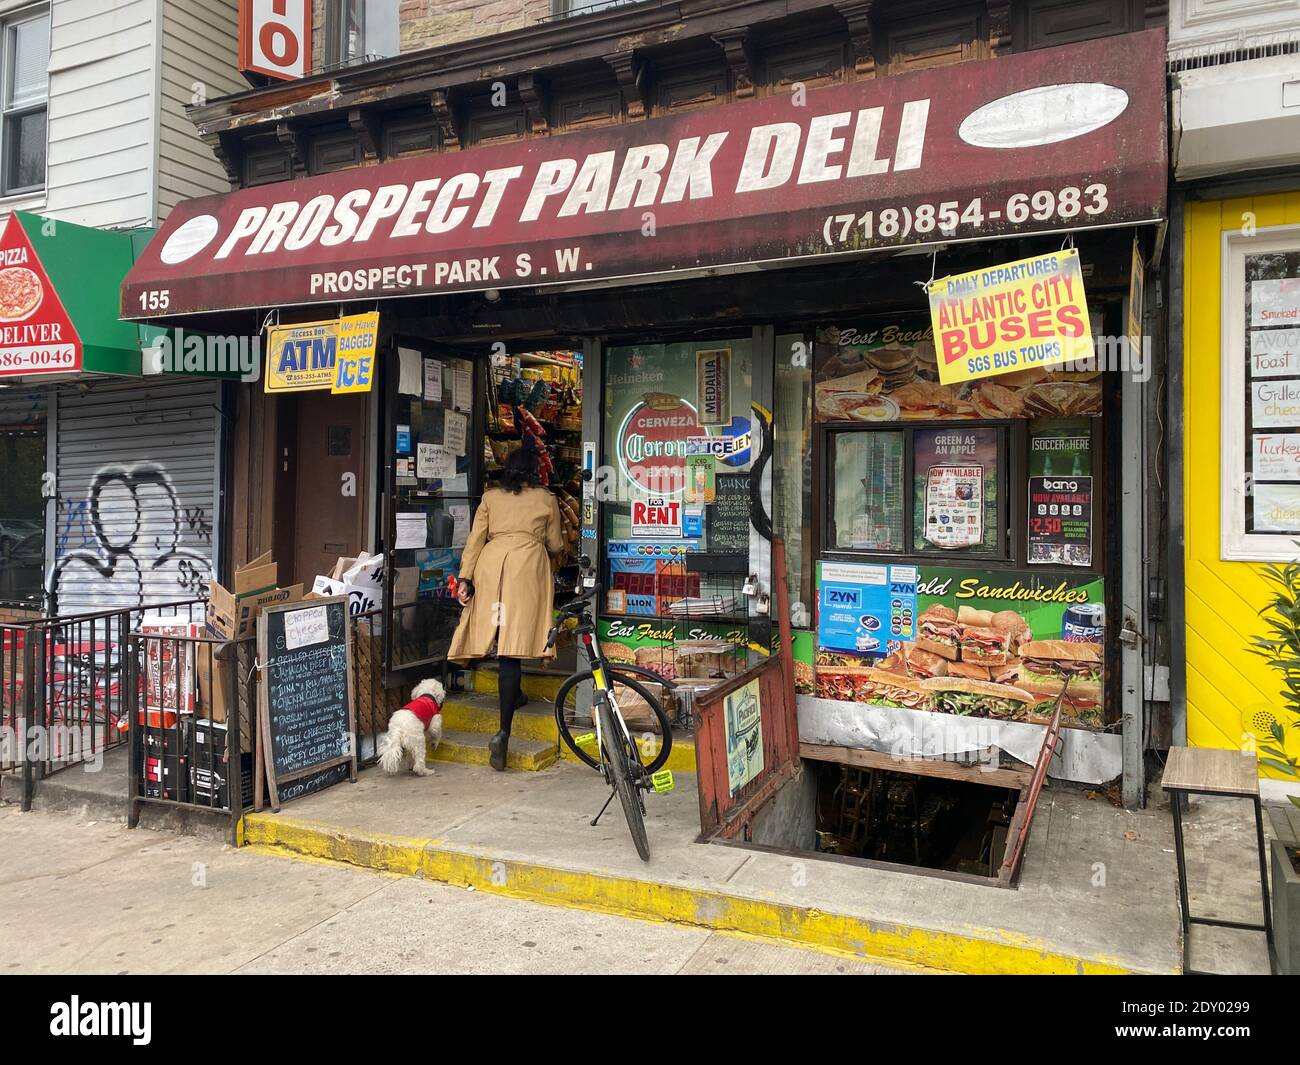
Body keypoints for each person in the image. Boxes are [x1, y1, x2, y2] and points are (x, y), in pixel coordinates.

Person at [448, 441, 565, 770]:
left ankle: (513, 699)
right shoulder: (546, 499)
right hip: (526, 568)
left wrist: (465, 579)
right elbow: (555, 543)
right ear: (534, 471)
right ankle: (503, 730)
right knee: (514, 645)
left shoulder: (490, 497)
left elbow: (474, 540)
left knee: (500, 635)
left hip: (491, 564)